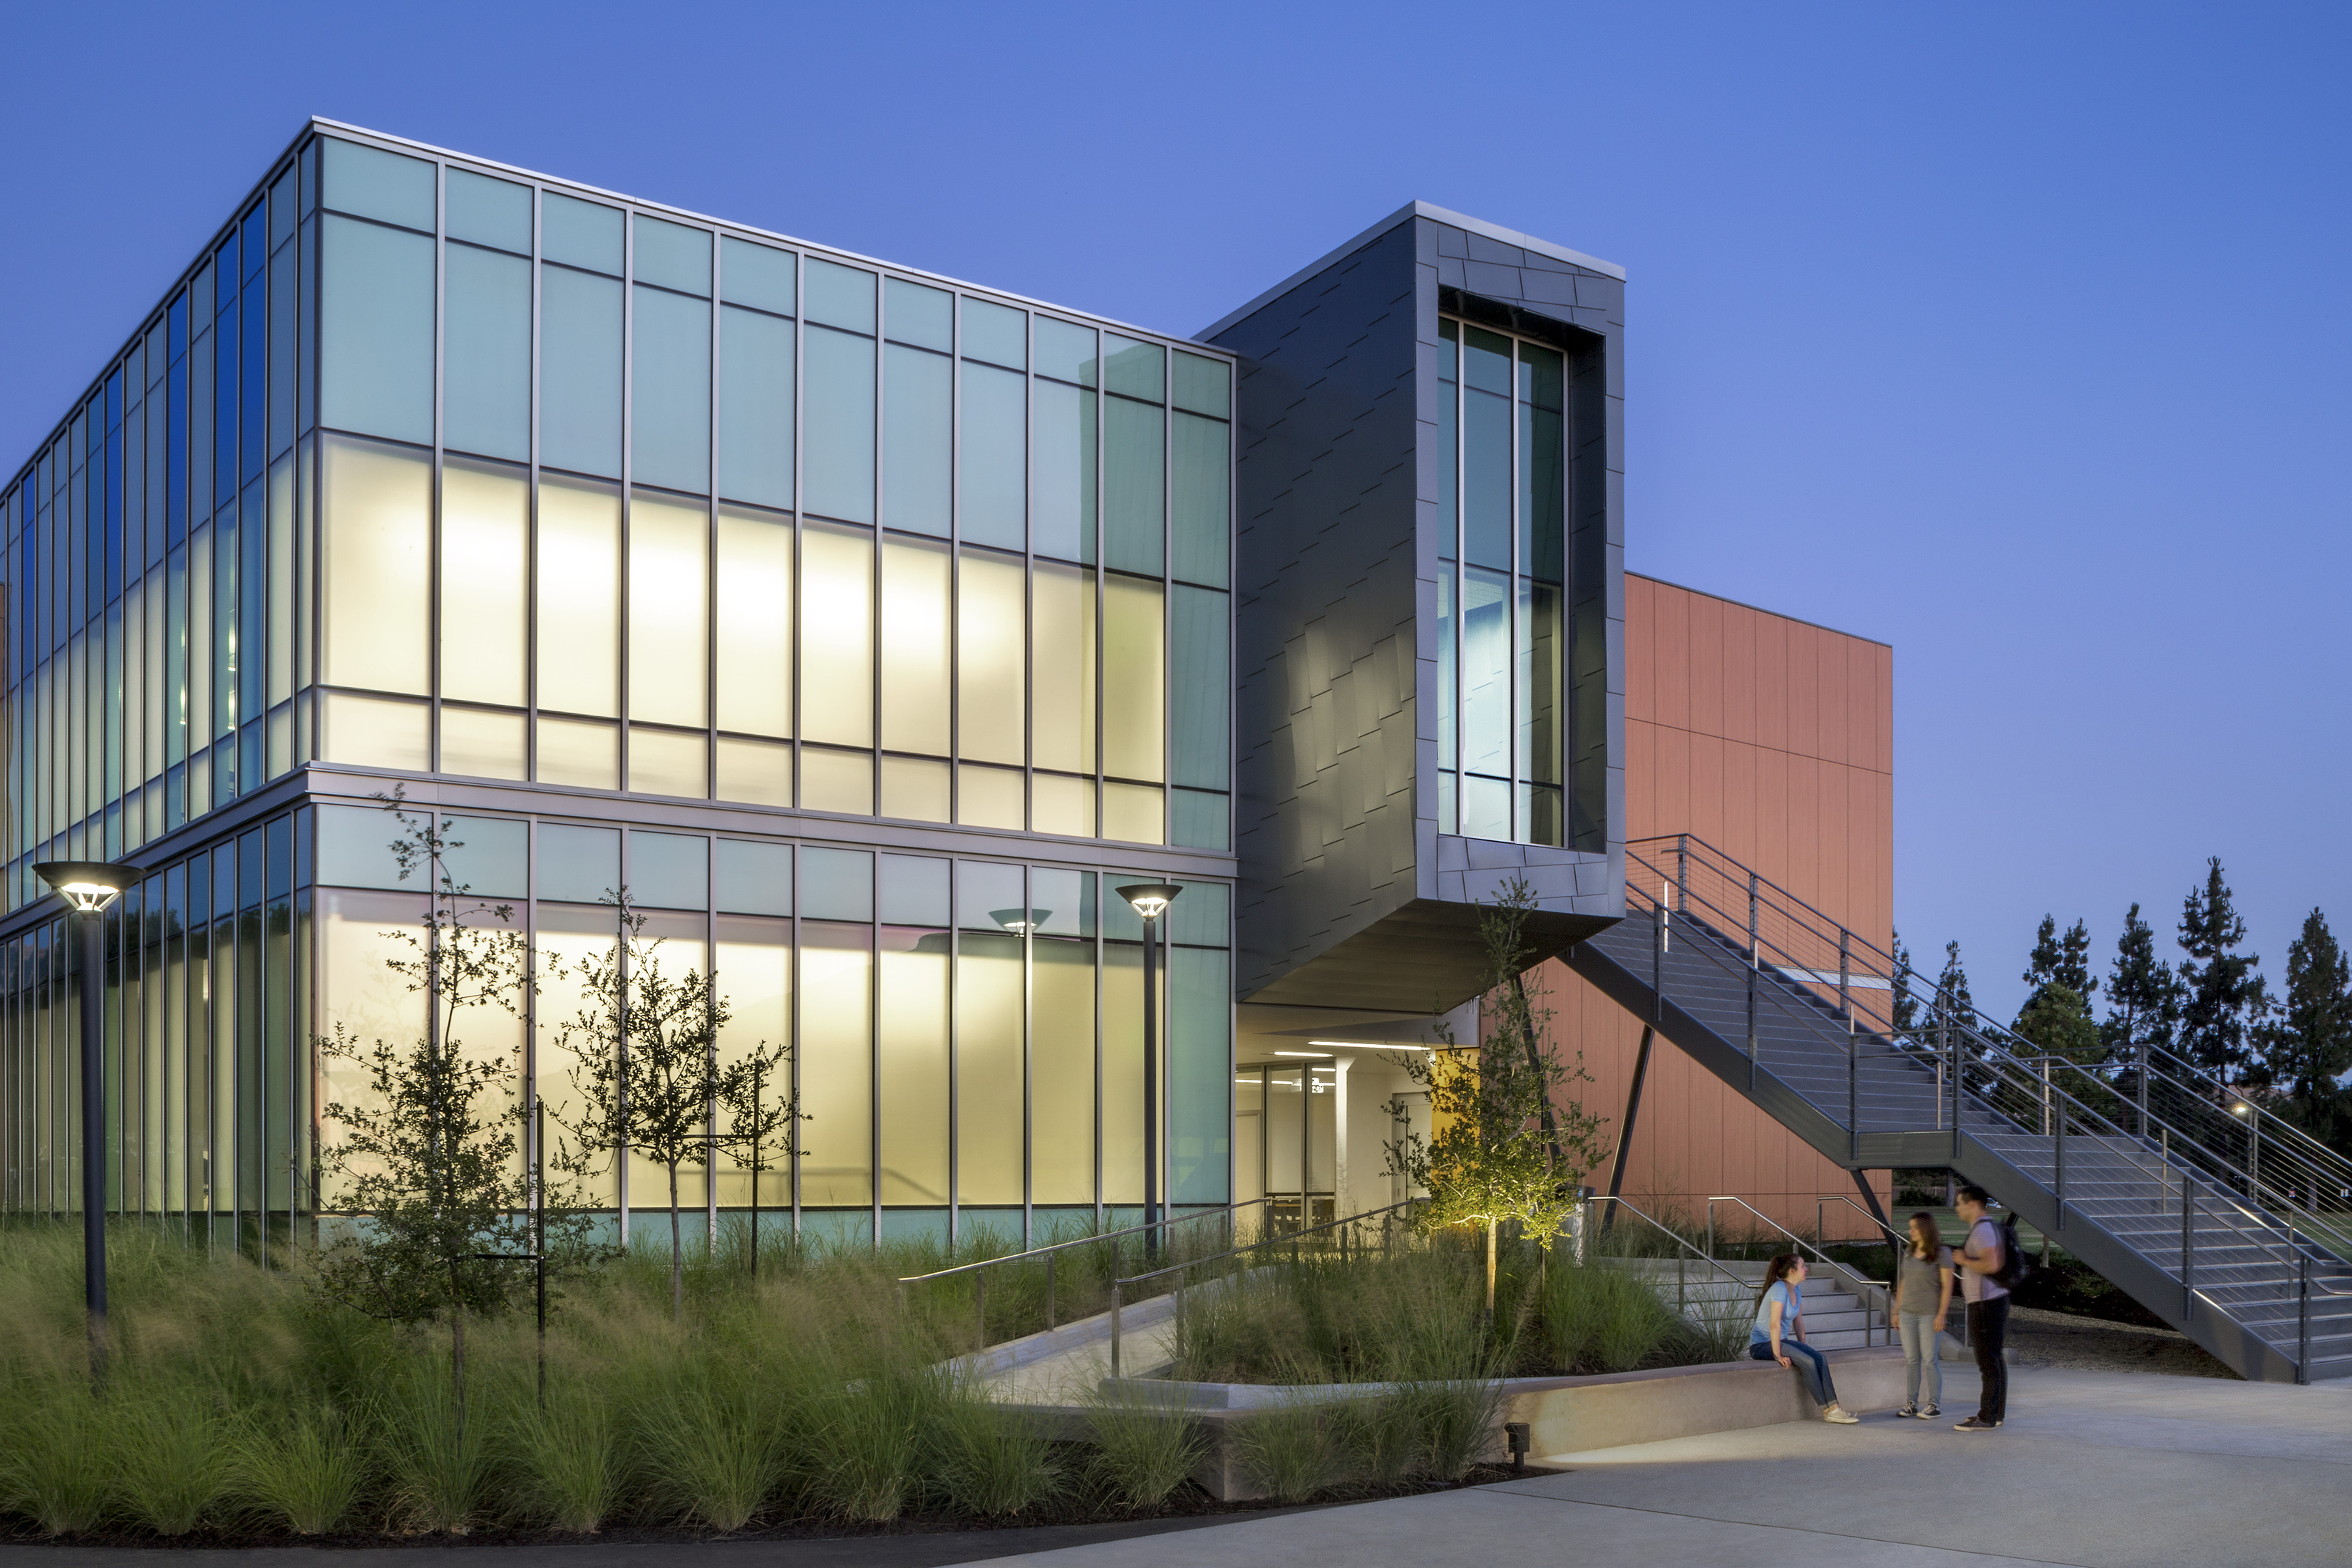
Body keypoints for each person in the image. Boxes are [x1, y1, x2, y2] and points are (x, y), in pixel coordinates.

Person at [1748, 1253, 1860, 1423]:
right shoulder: (1779, 1289)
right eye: (1803, 1266)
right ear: (1792, 1271)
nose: (1806, 1269)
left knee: (1818, 1358)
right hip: (1762, 1345)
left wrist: (1804, 1347)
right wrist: (1778, 1356)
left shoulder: (1796, 1289)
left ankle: (1835, 1407)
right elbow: (1774, 1324)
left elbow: (1798, 1321)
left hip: (1780, 1341)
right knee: (1807, 1361)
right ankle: (1827, 1411)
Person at [1951, 1184, 2009, 1430]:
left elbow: (1992, 1264)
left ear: (1972, 1204)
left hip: (1986, 1303)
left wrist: (1963, 1260)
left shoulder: (1983, 1231)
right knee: (1994, 1360)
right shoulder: (1985, 1228)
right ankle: (1994, 1414)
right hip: (1991, 1301)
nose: (1957, 1208)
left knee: (1988, 1362)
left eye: (1959, 1203)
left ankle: (1986, 1416)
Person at [1893, 1211, 1954, 1418]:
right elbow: (1902, 1282)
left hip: (1929, 1313)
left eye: (1915, 1228)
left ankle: (1933, 1404)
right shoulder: (1909, 1251)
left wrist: (1942, 1314)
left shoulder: (1941, 1253)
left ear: (1925, 1230)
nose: (1911, 1231)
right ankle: (1911, 1403)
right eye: (1910, 1227)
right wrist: (1896, 1310)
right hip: (1907, 1312)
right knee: (1911, 1359)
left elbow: (1947, 1286)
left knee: (1929, 1360)